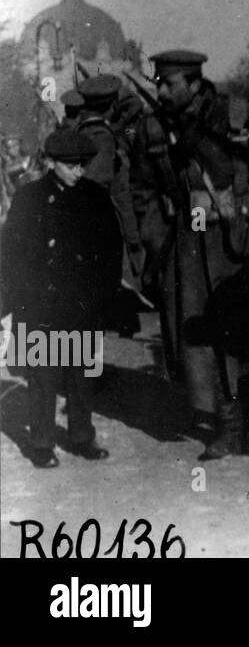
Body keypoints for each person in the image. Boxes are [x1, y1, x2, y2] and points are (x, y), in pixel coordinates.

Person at [130, 50, 249, 459]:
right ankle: (226, 424)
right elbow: (142, 190)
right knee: (200, 340)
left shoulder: (237, 116)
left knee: (244, 333)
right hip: (187, 245)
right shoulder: (153, 128)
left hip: (236, 242)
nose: (160, 89)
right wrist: (159, 241)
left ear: (193, 82)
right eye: (158, 82)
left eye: (168, 83)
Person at [1, 129, 122, 468]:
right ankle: (41, 442)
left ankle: (82, 437)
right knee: (43, 376)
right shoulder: (29, 197)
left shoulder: (94, 197)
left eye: (83, 164)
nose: (79, 171)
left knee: (81, 375)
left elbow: (111, 249)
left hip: (80, 302)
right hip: (41, 302)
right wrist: (15, 298)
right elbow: (11, 251)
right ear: (52, 162)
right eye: (71, 165)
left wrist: (104, 295)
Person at [75, 74, 142, 337]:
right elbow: (104, 184)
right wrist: (131, 231)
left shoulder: (78, 132)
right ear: (112, 105)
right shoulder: (103, 137)